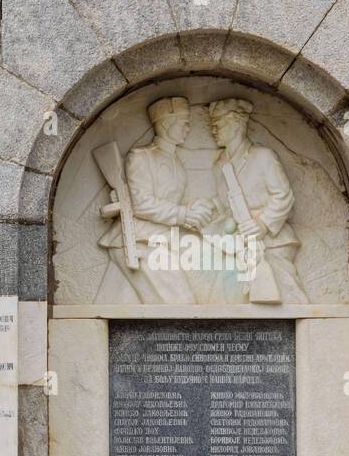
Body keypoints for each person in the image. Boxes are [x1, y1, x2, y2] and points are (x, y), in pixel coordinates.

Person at [99, 96, 216, 302]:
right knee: (182, 303)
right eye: (183, 123)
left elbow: (170, 204)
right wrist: (184, 214)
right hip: (138, 241)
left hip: (162, 240)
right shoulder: (141, 156)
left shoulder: (176, 163)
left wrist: (192, 210)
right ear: (165, 124)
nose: (188, 128)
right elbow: (142, 204)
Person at [208, 97, 307, 303]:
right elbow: (225, 204)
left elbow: (283, 195)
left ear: (235, 125)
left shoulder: (263, 156)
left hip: (272, 241)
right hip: (239, 241)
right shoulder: (220, 165)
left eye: (218, 125)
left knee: (290, 296)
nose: (214, 131)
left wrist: (262, 224)